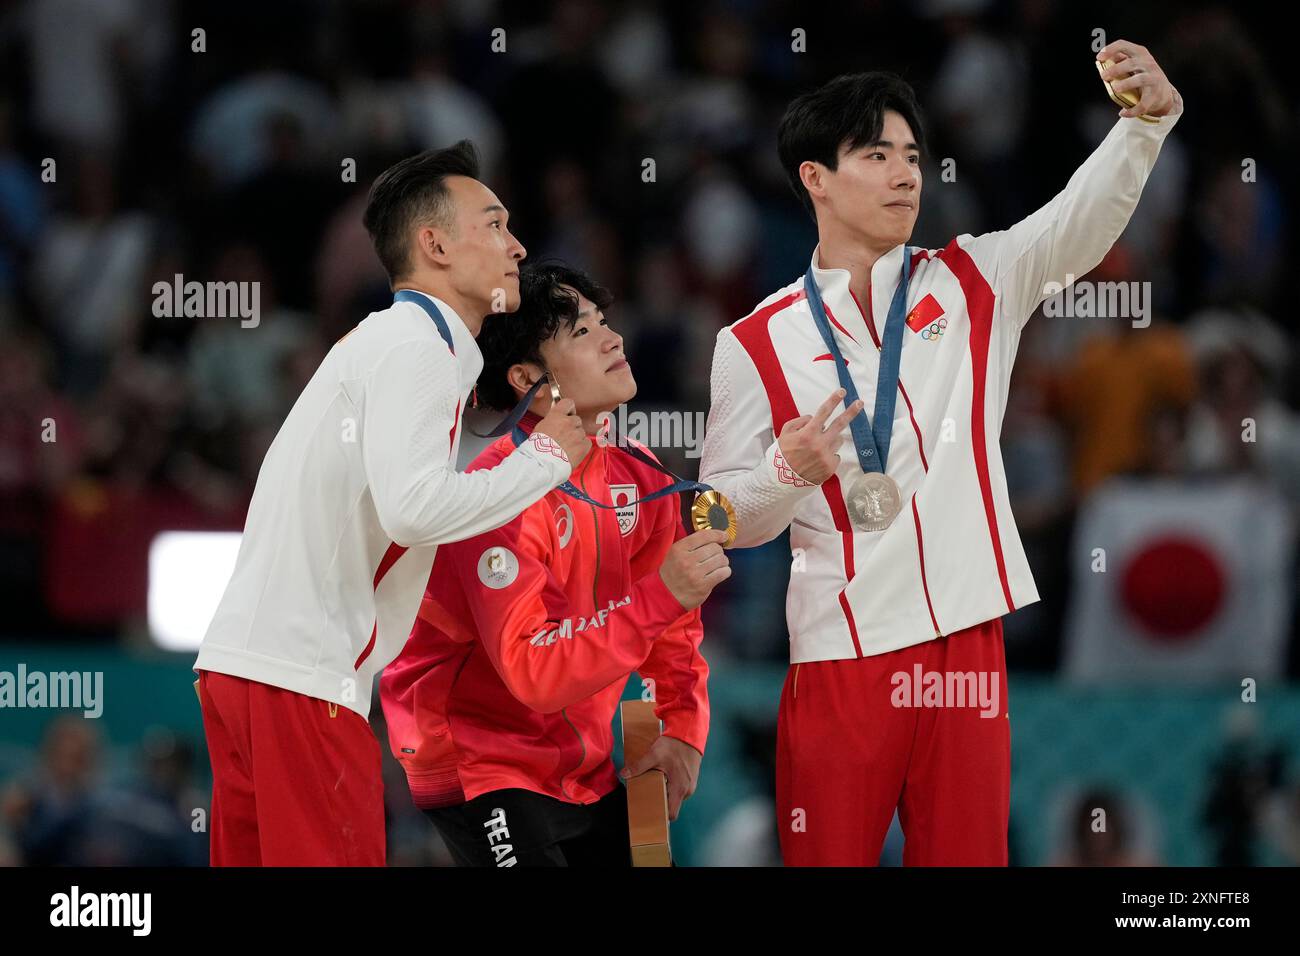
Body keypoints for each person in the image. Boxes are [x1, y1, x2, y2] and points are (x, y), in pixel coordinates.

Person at [699, 42, 1183, 865]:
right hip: (841, 658)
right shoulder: (752, 343)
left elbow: (1076, 221)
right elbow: (719, 519)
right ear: (815, 177)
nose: (905, 174)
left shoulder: (972, 280)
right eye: (877, 154)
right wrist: (787, 473)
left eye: (913, 156)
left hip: (966, 641)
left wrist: (1145, 126)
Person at [193, 141, 591, 866]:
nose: (518, 245)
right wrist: (546, 458)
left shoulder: (383, 341)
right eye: (495, 225)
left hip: (245, 667)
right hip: (303, 675)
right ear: (434, 244)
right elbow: (414, 510)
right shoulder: (417, 348)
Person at [381, 262, 728, 866]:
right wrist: (664, 595)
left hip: (583, 762)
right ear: (529, 380)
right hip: (481, 761)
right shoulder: (497, 494)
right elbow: (534, 671)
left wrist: (682, 729)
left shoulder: (638, 473)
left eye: (604, 321)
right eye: (579, 332)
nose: (612, 338)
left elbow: (671, 630)